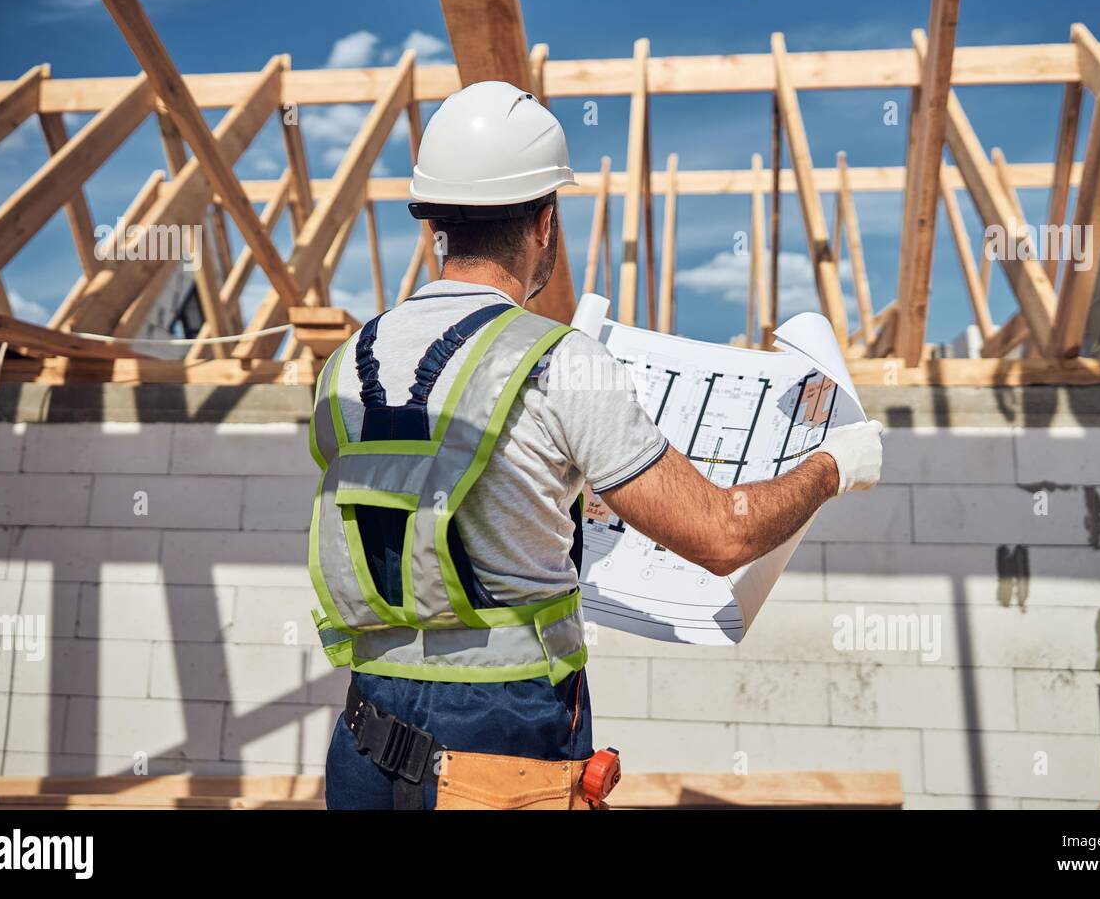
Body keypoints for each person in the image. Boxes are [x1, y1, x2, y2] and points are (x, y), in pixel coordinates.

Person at [309, 80, 884, 810]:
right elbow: (721, 535)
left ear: (434, 223)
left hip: (365, 739)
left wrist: (548, 498)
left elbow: (416, 511)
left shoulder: (344, 365)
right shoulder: (560, 359)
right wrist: (833, 467)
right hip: (500, 750)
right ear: (545, 221)